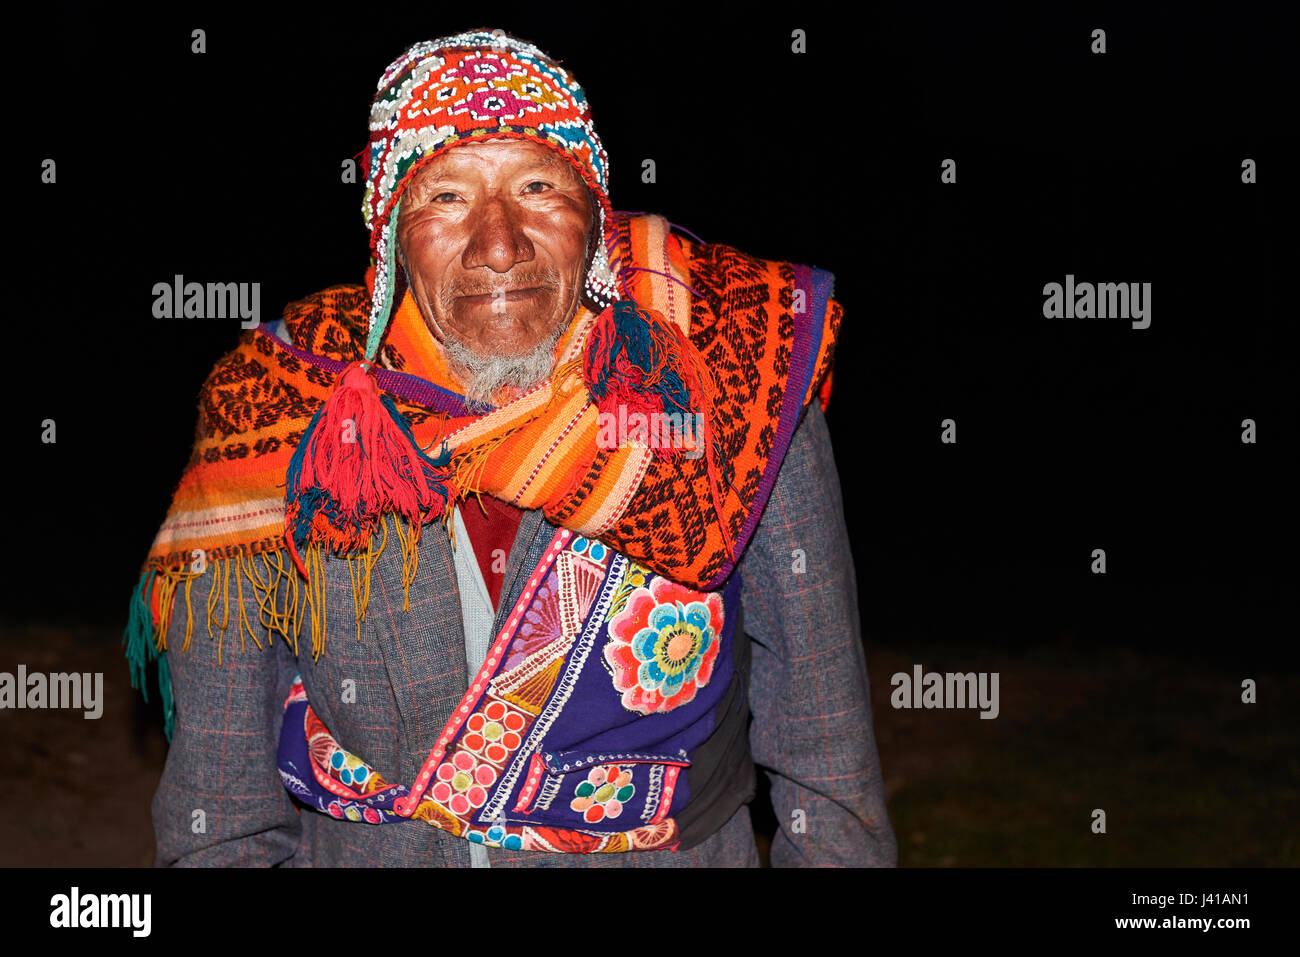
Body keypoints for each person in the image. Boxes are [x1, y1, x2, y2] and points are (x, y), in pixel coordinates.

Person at [128, 28, 897, 867]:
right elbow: (220, 808)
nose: (500, 243)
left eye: (538, 186)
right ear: (391, 236)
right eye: (447, 198)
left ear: (595, 222)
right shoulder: (280, 407)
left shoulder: (732, 376)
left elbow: (826, 752)